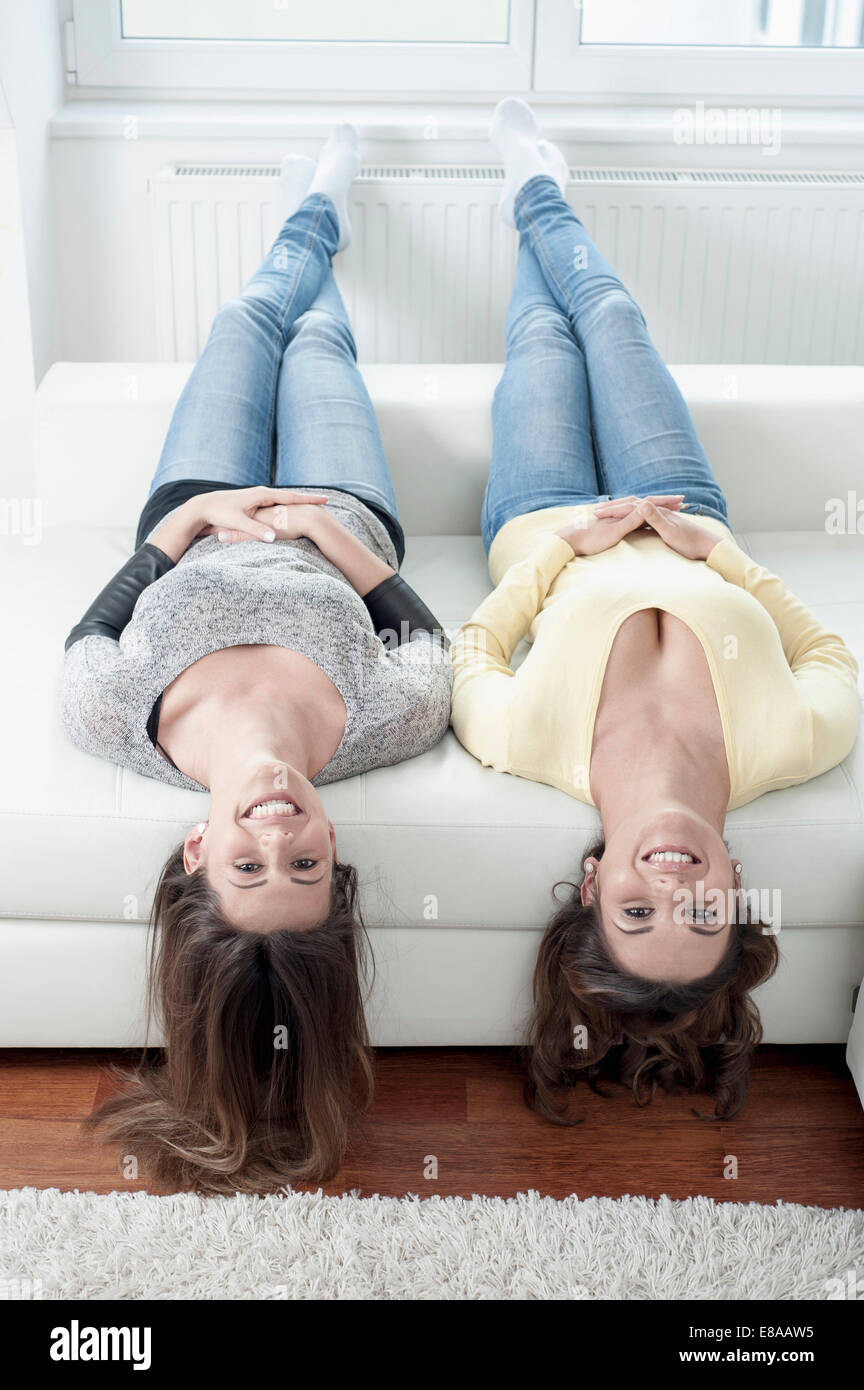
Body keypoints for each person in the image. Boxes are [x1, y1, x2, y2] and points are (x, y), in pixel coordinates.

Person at [451, 100, 859, 1122]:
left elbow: (474, 647)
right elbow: (824, 647)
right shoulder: (799, 742)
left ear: (589, 887)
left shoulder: (530, 745)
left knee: (542, 334)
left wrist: (562, 548)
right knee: (614, 318)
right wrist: (718, 553)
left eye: (639, 911)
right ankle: (538, 186)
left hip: (548, 511)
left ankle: (525, 189)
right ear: (737, 889)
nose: (671, 884)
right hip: (684, 503)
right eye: (702, 909)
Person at [62, 127, 452, 1191]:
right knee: (320, 342)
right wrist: (330, 540)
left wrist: (190, 523)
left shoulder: (120, 725)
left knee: (245, 319)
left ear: (194, 854)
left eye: (248, 866)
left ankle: (311, 198)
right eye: (306, 865)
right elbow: (426, 639)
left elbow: (90, 635)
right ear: (335, 850)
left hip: (198, 503)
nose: (278, 832)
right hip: (340, 510)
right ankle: (318, 201)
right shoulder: (382, 725)